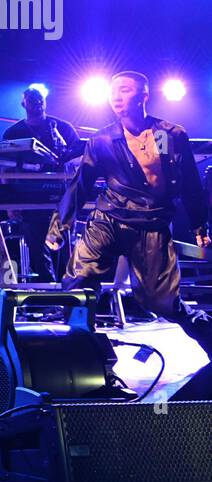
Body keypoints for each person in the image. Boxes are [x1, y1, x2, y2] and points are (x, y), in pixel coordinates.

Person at [49, 71, 212, 359]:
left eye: (124, 90)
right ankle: (87, 359)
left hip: (152, 223)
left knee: (161, 303)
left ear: (144, 96)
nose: (116, 96)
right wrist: (59, 225)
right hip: (109, 219)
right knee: (78, 282)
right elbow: (81, 185)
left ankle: (208, 335)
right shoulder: (102, 140)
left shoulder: (169, 135)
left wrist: (200, 225)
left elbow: (189, 184)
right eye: (113, 91)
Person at [2, 87, 80, 281]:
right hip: (28, 197)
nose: (36, 102)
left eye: (39, 99)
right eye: (31, 99)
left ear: (45, 101)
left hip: (62, 195)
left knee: (65, 245)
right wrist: (10, 204)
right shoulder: (14, 132)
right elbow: (5, 167)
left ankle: (69, 292)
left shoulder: (63, 128)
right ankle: (49, 293)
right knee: (37, 245)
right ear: (23, 103)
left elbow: (80, 158)